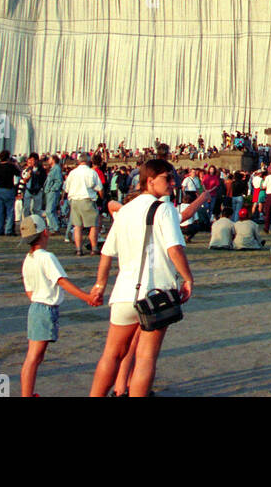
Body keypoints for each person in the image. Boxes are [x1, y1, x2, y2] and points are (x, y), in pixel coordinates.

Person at [89, 158, 194, 397]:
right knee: (146, 357)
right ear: (150, 180)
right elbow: (174, 249)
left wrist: (100, 285)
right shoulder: (164, 208)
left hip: (123, 292)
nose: (172, 183)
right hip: (155, 292)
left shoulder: (124, 211)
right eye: (167, 178)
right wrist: (187, 279)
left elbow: (106, 254)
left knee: (112, 354)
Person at [19, 215, 98, 397]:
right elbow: (62, 282)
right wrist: (87, 297)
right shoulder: (47, 257)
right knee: (33, 357)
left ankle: (28, 393)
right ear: (45, 233)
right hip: (45, 309)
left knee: (35, 357)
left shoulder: (28, 259)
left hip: (35, 308)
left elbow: (29, 292)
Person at [65, 153, 103, 256]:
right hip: (87, 200)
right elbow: (99, 188)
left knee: (77, 226)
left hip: (74, 200)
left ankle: (78, 249)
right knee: (93, 225)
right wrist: (102, 198)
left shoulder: (72, 173)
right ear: (89, 161)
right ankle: (94, 248)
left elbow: (66, 188)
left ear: (79, 161)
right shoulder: (92, 172)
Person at [0, 150, 21, 236]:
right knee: (10, 210)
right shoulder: (11, 166)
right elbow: (19, 173)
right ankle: (8, 230)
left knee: (0, 210)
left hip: (0, 189)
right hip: (9, 189)